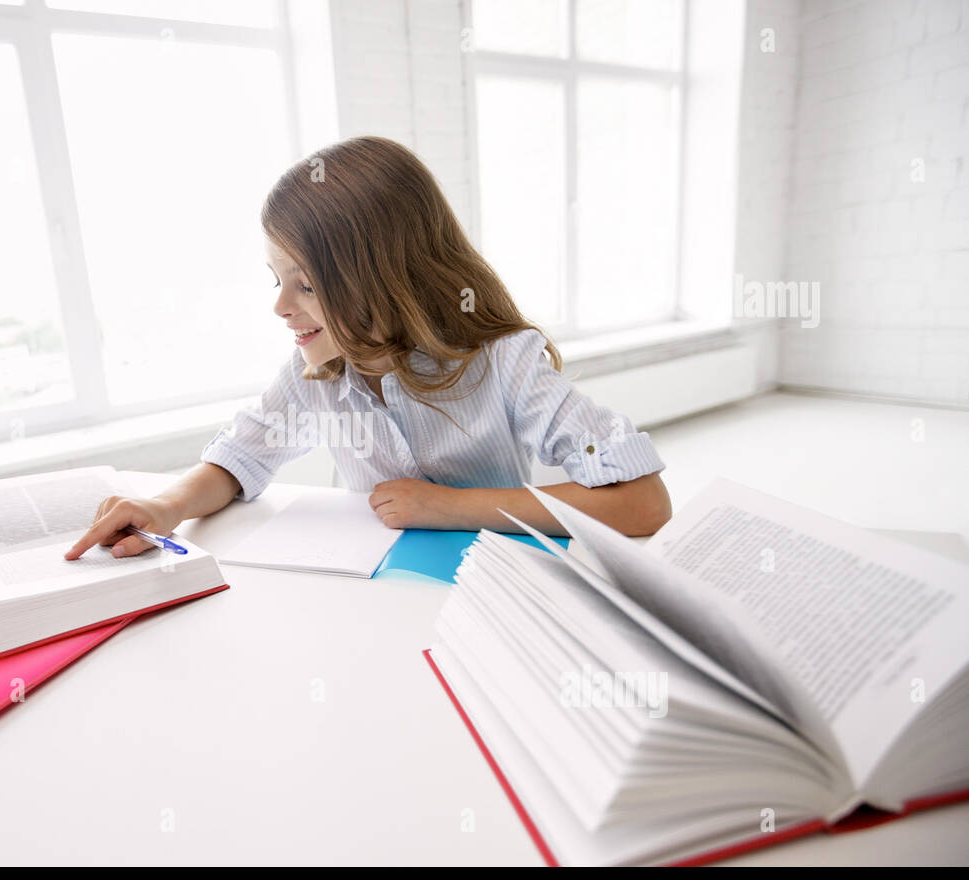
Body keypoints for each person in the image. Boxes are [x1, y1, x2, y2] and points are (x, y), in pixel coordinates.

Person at [66, 136, 670, 562]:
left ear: (384, 278)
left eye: (306, 284)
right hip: (369, 587)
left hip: (493, 582)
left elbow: (643, 502)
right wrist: (166, 506)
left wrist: (450, 507)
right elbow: (238, 459)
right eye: (277, 280)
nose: (281, 307)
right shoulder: (318, 371)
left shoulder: (506, 361)